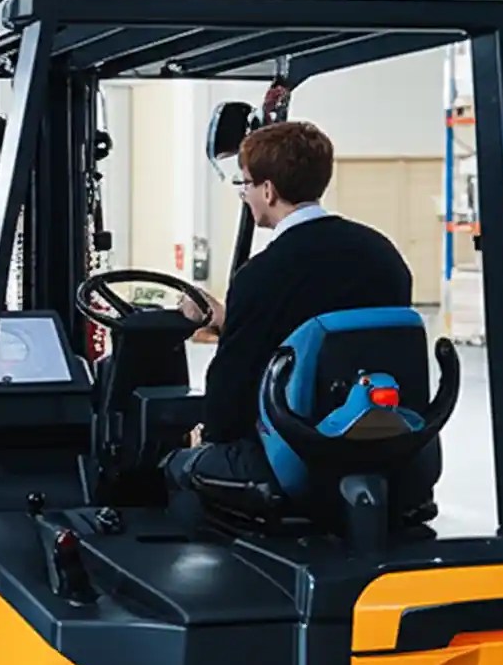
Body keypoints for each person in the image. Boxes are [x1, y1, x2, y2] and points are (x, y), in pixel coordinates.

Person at [172, 121, 435, 512]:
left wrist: (204, 437)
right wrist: (227, 318)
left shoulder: (263, 274)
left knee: (177, 466)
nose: (244, 195)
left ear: (267, 189)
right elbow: (323, 336)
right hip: (380, 443)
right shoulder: (383, 256)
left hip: (293, 454)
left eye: (244, 184)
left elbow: (231, 387)